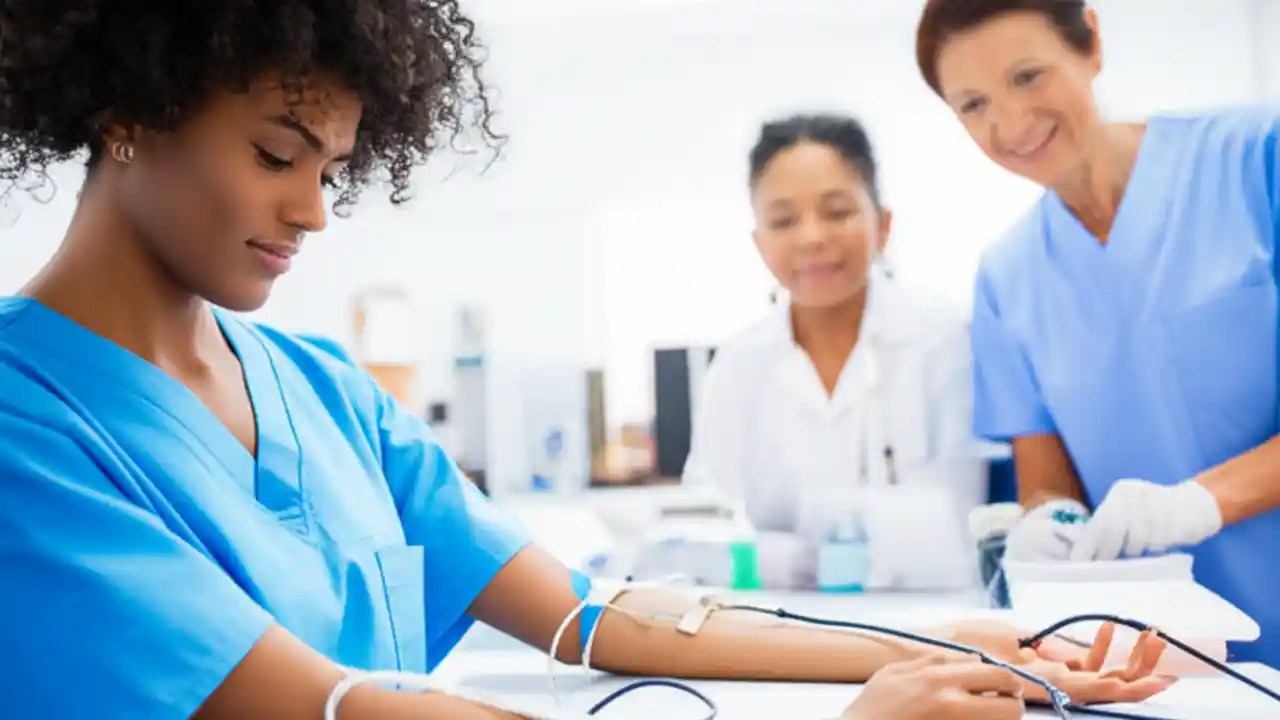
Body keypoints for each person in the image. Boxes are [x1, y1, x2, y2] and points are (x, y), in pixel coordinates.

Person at [0, 3, 1174, 719]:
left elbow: (586, 613)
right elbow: (339, 709)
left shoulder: (319, 390)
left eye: (336, 172)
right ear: (130, 110)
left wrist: (941, 641)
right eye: (276, 154)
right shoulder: (26, 429)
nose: (314, 212)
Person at [916, 0, 1280, 665]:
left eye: (1028, 76)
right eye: (973, 105)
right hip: (1171, 664)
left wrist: (1199, 502)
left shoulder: (1257, 158)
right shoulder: (1007, 275)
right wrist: (1047, 524)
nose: (1011, 123)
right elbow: (1048, 484)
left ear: (1090, 43)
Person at [683, 114, 990, 592]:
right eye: (783, 220)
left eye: (837, 211)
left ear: (883, 224)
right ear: (759, 242)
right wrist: (847, 536)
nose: (811, 237)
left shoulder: (943, 341)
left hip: (926, 624)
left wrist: (791, 528)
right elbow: (701, 531)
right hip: (767, 635)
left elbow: (954, 538)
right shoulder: (738, 364)